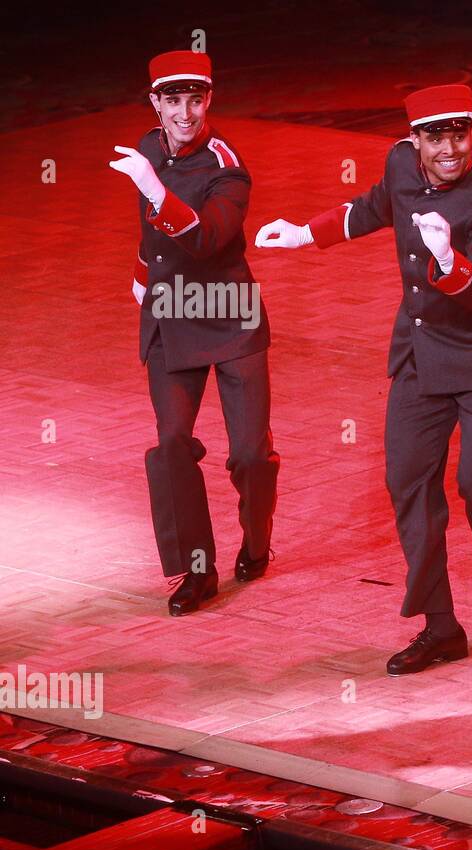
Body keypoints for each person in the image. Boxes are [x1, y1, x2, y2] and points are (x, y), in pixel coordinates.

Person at [255, 84, 472, 673]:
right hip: (421, 351)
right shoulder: (399, 164)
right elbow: (374, 206)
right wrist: (307, 233)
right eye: (436, 138)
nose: (451, 149)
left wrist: (446, 259)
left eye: (461, 134)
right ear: (415, 141)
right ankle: (438, 625)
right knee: (408, 481)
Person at [110, 50, 278, 616]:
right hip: (172, 313)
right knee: (173, 442)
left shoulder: (228, 165)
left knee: (251, 456)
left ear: (209, 100)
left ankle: (257, 540)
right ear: (155, 103)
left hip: (230, 312)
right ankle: (197, 569)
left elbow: (208, 240)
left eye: (196, 99)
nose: (186, 112)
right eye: (173, 100)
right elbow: (151, 237)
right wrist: (140, 277)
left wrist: (155, 191)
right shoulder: (148, 148)